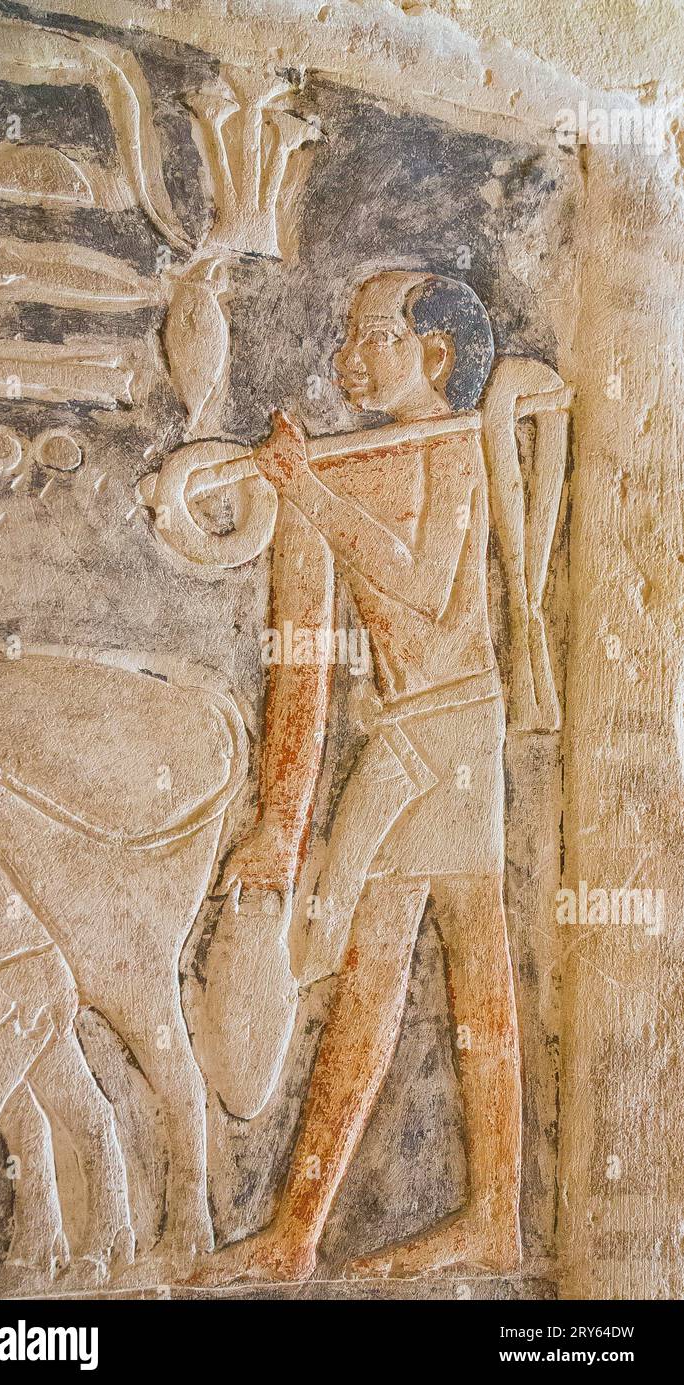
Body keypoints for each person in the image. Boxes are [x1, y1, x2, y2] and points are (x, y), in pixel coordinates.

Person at [201, 268, 524, 1281]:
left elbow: (429, 593)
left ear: (433, 354)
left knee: (463, 969)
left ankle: (481, 1217)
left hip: (455, 731)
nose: (350, 353)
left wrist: (310, 491)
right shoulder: (340, 467)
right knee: (375, 980)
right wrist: (278, 821)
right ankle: (305, 1228)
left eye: (373, 334)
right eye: (347, 332)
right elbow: (299, 660)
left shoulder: (452, 450)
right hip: (407, 735)